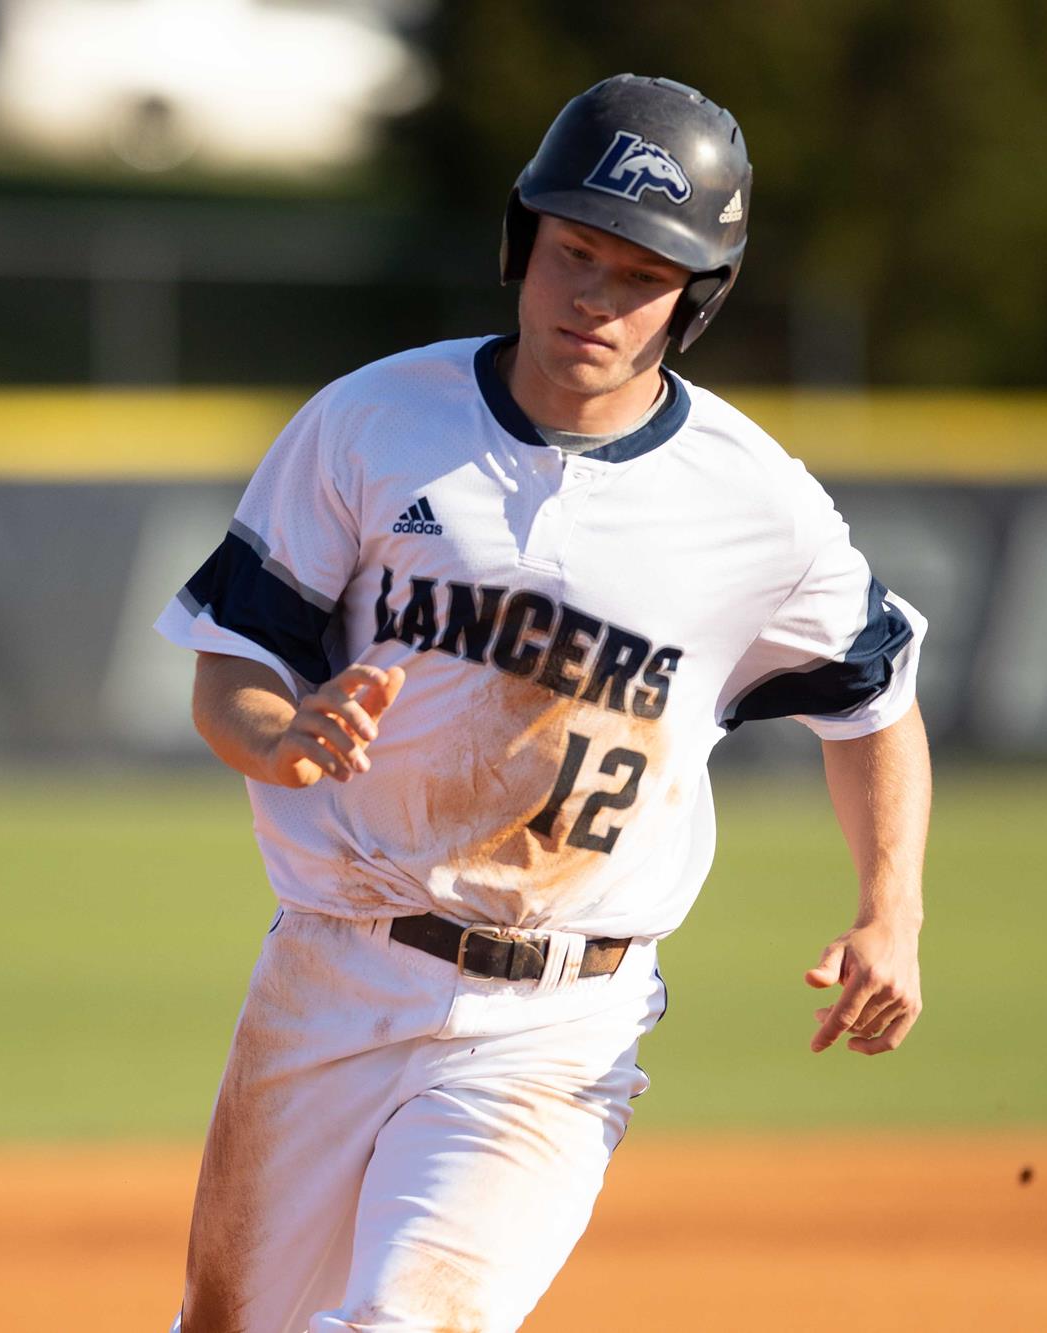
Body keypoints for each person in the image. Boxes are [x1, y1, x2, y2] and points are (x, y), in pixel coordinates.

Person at [155, 73, 930, 1333]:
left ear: (695, 297)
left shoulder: (758, 505)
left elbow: (873, 701)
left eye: (641, 275)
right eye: (574, 252)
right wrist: (278, 732)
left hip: (559, 1021)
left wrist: (886, 912)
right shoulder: (369, 423)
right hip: (334, 964)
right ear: (522, 242)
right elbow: (230, 667)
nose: (596, 297)